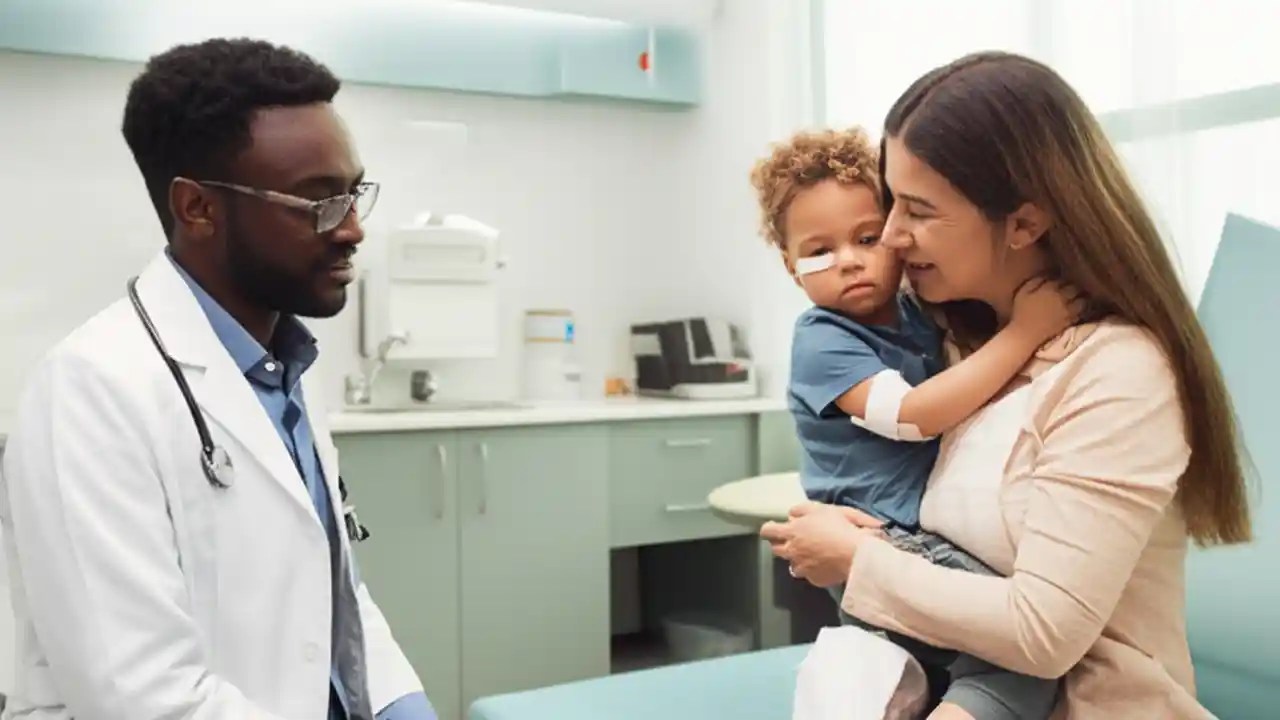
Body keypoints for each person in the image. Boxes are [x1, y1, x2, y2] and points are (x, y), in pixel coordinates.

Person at [762, 51, 1253, 719]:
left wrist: (857, 558)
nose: (895, 240)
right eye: (892, 205)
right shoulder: (956, 344)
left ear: (1024, 223)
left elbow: (1041, 633)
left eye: (916, 211)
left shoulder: (1118, 373)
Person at [0, 39, 434, 719]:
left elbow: (332, 596)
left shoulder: (280, 367)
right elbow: (140, 696)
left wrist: (401, 706)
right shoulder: (90, 394)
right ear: (198, 208)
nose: (352, 229)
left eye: (353, 194)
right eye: (318, 202)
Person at [749, 127, 1082, 718]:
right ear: (788, 264)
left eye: (867, 238)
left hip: (912, 535)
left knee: (932, 675)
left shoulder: (912, 313)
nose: (848, 261)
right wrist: (1028, 331)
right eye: (819, 251)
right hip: (885, 538)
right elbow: (911, 416)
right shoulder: (823, 339)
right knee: (1018, 664)